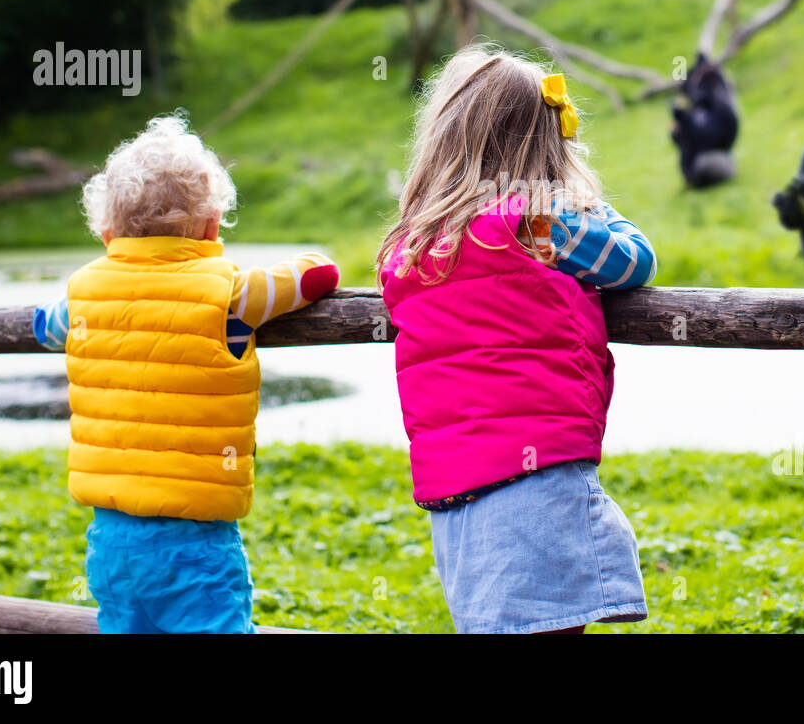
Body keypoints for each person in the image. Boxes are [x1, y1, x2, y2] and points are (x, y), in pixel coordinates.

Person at [378, 45, 656, 634]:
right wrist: (594, 204)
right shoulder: (538, 224)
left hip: (454, 493)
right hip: (538, 479)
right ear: (545, 148)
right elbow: (635, 262)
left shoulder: (412, 247)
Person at [33, 113, 339, 633]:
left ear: (107, 230)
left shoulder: (82, 293)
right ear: (211, 225)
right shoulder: (231, 293)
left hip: (111, 541)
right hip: (194, 542)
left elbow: (44, 326)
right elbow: (318, 274)